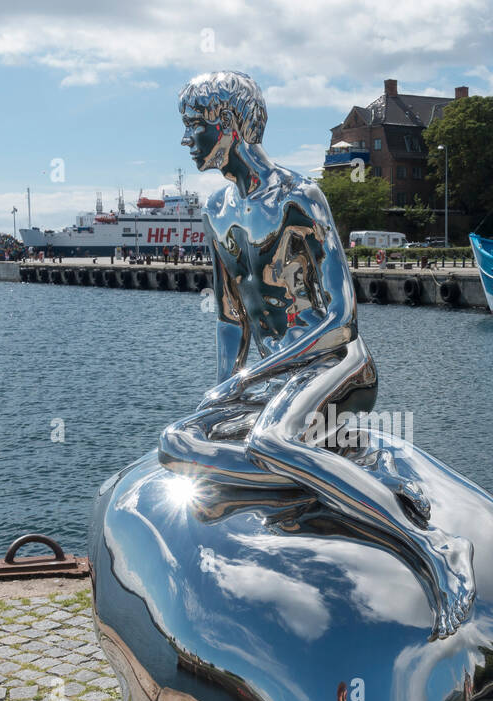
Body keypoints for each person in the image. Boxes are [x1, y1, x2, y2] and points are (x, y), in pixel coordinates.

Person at [158, 70, 474, 637]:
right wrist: (228, 387)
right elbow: (232, 318)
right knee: (177, 442)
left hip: (336, 364)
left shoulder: (299, 196)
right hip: (272, 382)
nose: (186, 140)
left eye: (194, 126)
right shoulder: (217, 212)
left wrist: (250, 379)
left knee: (270, 441)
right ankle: (351, 482)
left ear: (228, 125)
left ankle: (433, 547)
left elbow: (339, 319)